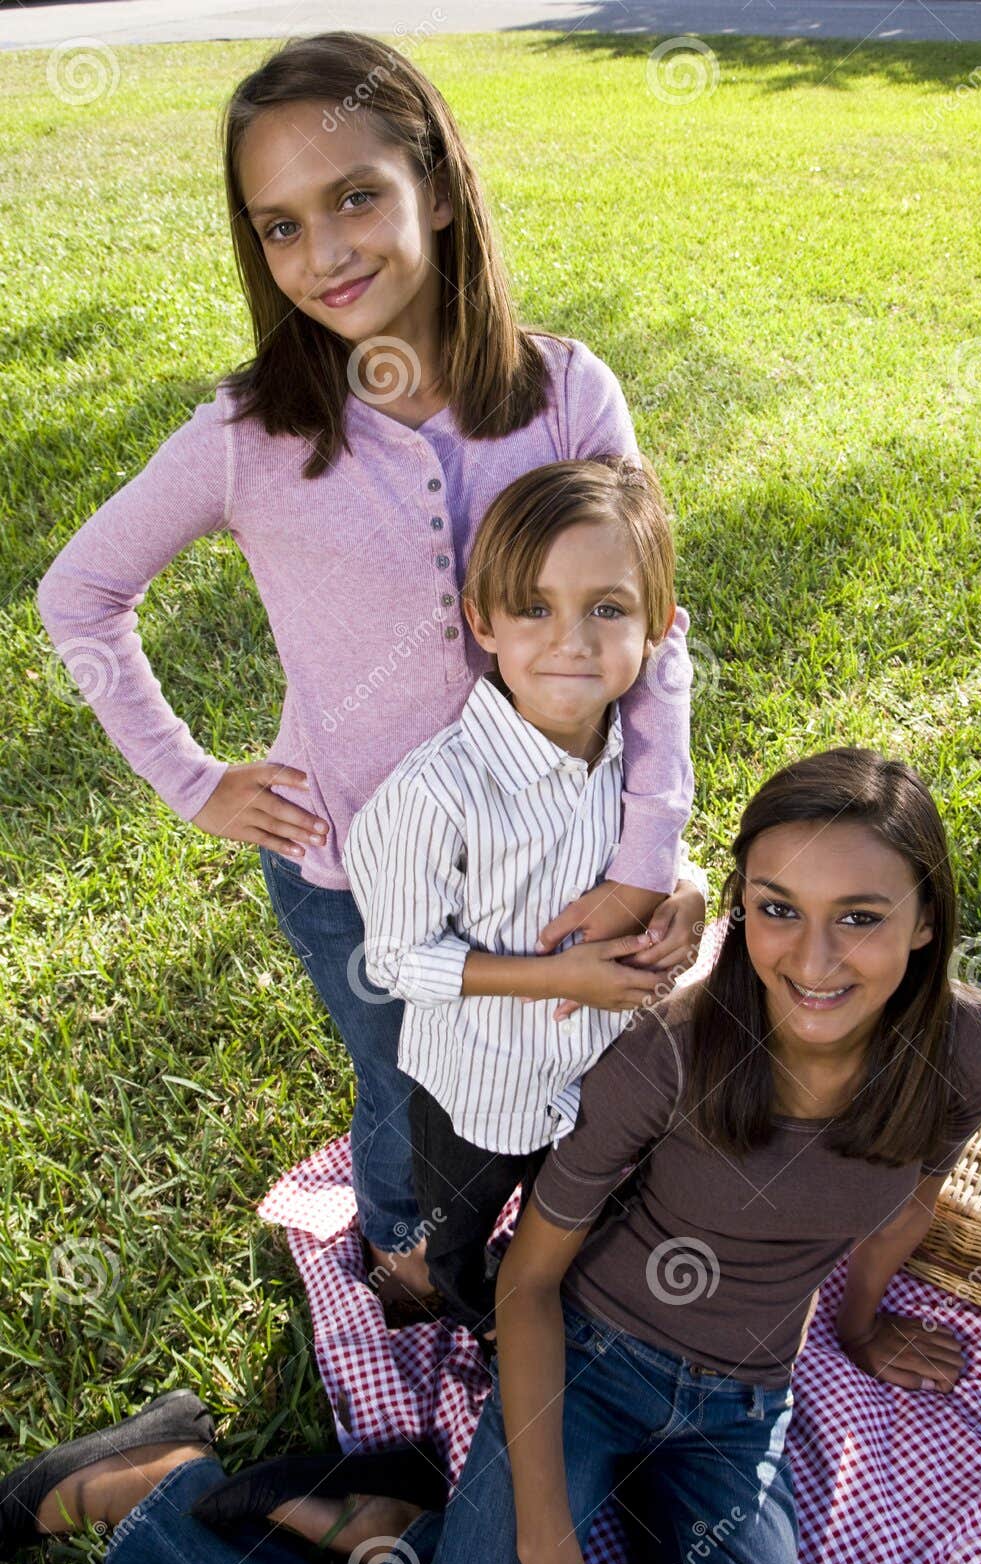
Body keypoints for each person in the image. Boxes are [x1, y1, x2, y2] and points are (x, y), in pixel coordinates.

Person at [2, 749, 981, 1564]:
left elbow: (908, 1200)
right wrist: (544, 1552)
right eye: (775, 908)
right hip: (585, 1365)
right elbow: (530, 1280)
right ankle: (158, 1492)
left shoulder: (974, 1051)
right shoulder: (664, 1053)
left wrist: (855, 1327)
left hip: (743, 1407)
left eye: (859, 915)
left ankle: (394, 1532)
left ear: (926, 918)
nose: (811, 958)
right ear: (743, 907)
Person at [34, 31, 703, 1320]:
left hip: (562, 849)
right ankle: (406, 1258)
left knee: (572, 1052)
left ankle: (563, 1247)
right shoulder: (248, 436)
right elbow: (81, 593)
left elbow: (654, 630)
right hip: (352, 871)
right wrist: (191, 780)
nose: (324, 252)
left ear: (436, 187)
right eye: (279, 226)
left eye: (354, 197)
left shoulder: (564, 393)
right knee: (409, 1085)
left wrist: (646, 850)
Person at [344, 456, 703, 1342]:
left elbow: (656, 849)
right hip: (478, 1084)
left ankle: (563, 1304)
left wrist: (685, 890)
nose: (571, 641)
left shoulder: (633, 759)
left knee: (577, 1208)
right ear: (482, 622)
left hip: (599, 1074)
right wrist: (560, 979)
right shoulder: (437, 794)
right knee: (460, 1227)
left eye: (607, 609)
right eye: (534, 608)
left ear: (655, 629)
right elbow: (394, 960)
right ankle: (474, 1313)